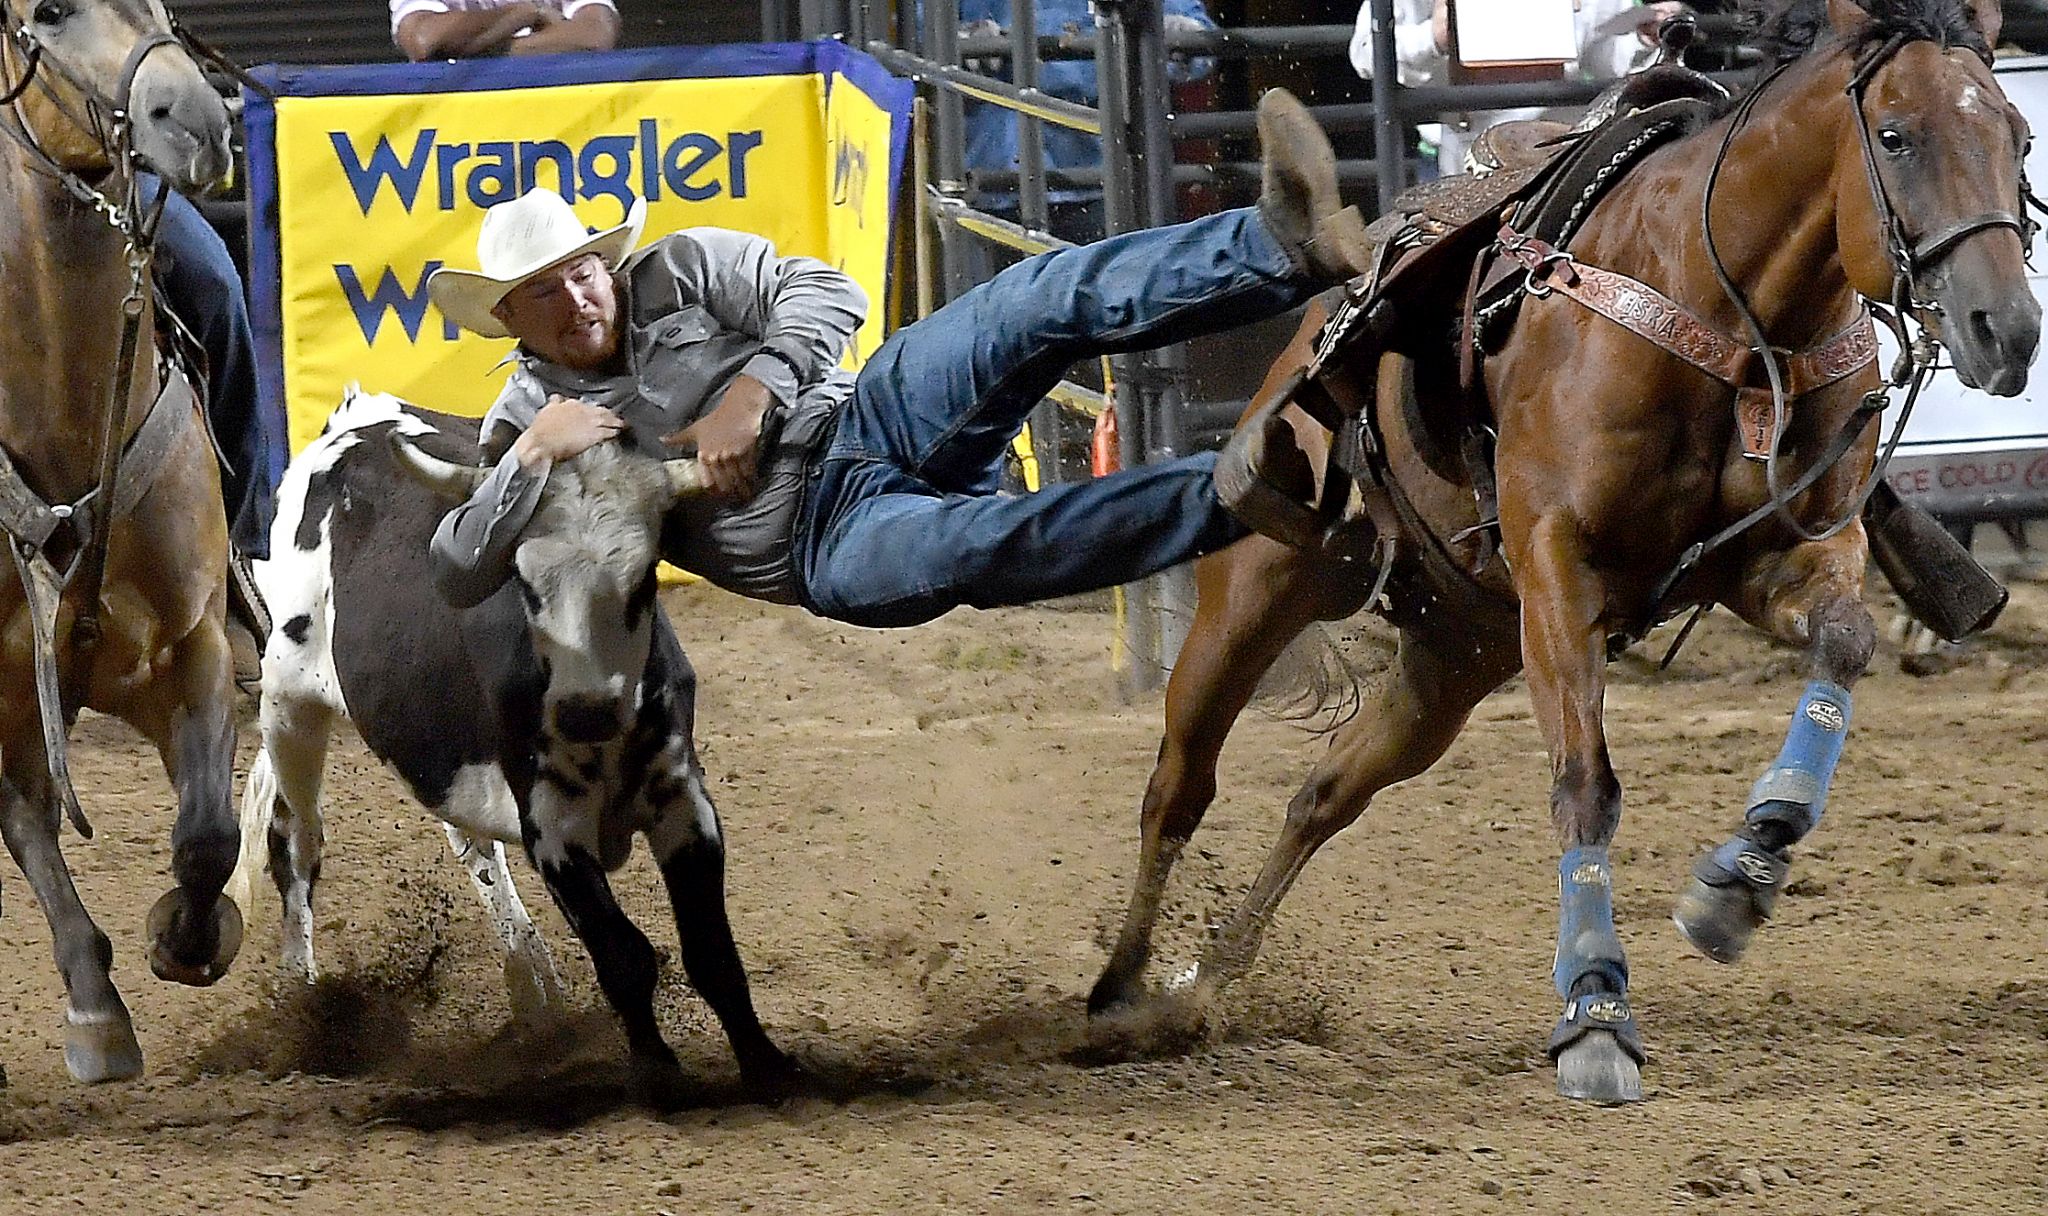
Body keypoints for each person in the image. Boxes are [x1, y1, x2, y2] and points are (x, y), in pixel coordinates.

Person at [424, 91, 1367, 628]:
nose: (576, 298)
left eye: (582, 271)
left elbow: (829, 292)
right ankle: (1240, 493)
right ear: (508, 319)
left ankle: (1287, 245)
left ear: (607, 260)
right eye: (544, 292)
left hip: (871, 412)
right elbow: (459, 567)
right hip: (820, 545)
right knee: (978, 545)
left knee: (1028, 304)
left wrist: (754, 389)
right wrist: (530, 456)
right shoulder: (524, 417)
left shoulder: (684, 266)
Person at [956, 0, 1217, 245]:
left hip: (1098, 177)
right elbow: (922, 34)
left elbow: (1197, 39)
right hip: (992, 181)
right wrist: (960, 40)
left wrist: (1177, 34)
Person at [1350, 0, 1687, 176]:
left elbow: (1606, 59)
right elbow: (1365, 53)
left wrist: (1644, 38)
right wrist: (1433, 38)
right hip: (1463, 165)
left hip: (1562, 152)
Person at [392, 0, 620, 62]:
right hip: (455, 133)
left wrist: (470, 52)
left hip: (553, 122)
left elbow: (595, 34)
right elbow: (424, 40)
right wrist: (528, 12)